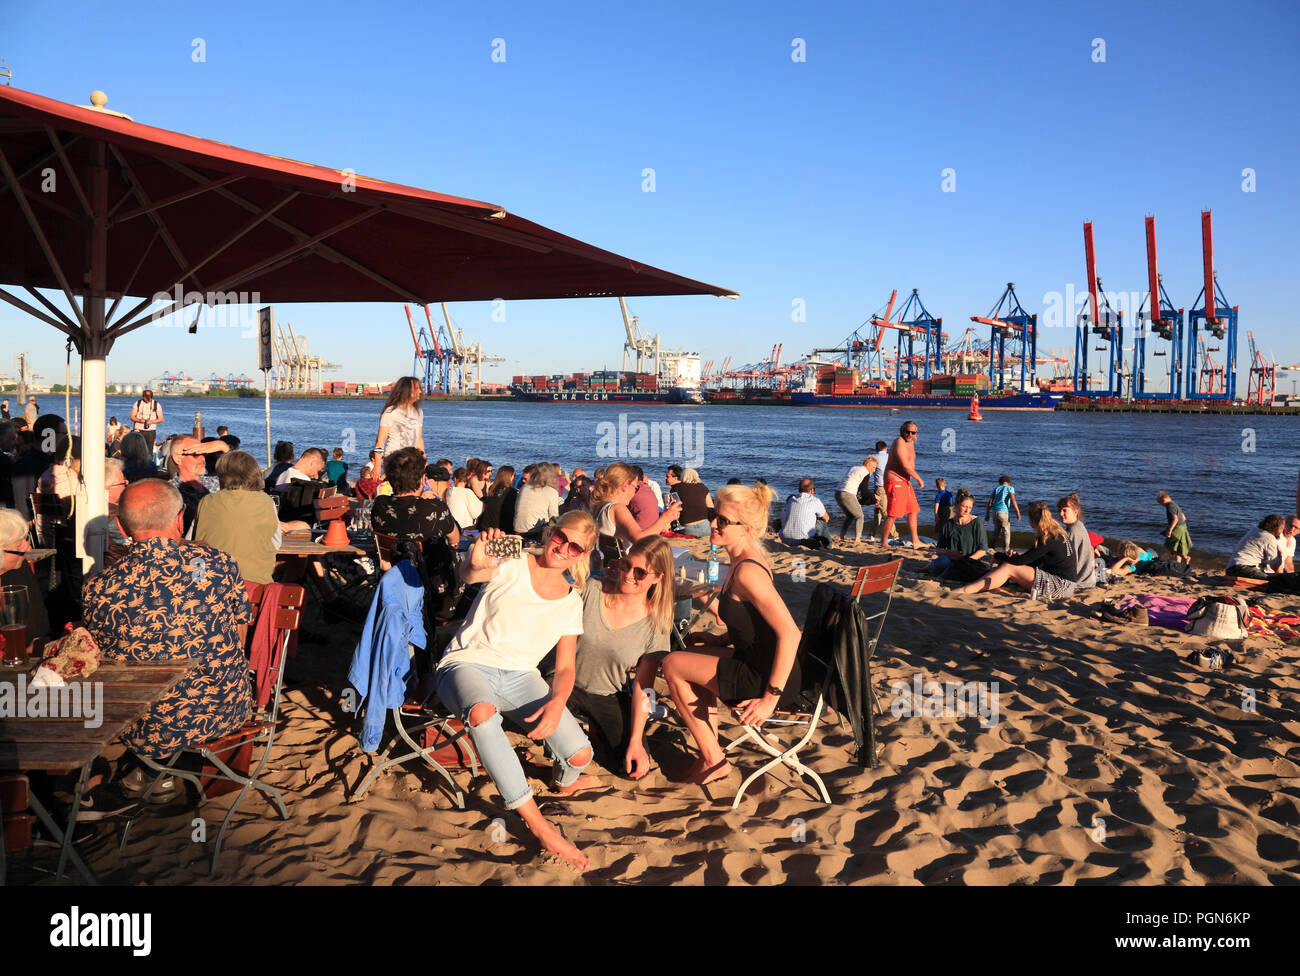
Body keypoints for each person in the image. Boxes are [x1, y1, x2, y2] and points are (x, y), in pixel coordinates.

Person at [435, 513, 601, 870]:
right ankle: (540, 826)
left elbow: (567, 667)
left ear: (582, 555)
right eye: (561, 537)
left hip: (519, 676)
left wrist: (558, 703)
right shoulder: (512, 554)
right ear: (550, 531)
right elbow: (471, 572)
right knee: (482, 714)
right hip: (466, 664)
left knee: (578, 755)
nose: (563, 548)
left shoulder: (571, 599)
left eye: (575, 547)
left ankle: (563, 783)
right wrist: (475, 560)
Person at [82, 480, 252, 801]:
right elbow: (240, 633)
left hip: (141, 726)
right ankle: (164, 773)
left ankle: (154, 771)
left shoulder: (99, 587)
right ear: (180, 520)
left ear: (120, 525)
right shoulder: (217, 564)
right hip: (223, 708)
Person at [659, 482, 802, 785]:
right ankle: (709, 750)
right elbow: (755, 626)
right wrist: (720, 640)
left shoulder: (748, 571)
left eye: (722, 520)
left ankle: (714, 760)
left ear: (746, 529)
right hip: (755, 658)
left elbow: (790, 633)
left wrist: (769, 699)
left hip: (767, 677)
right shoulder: (739, 561)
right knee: (691, 655)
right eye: (714, 515)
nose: (712, 523)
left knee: (672, 664)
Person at [569, 535, 674, 775]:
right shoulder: (593, 590)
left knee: (632, 768)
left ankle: (596, 728)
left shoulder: (656, 623)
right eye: (626, 565)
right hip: (562, 684)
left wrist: (636, 740)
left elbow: (643, 686)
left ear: (658, 578)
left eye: (640, 573)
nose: (628, 575)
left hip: (606, 695)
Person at [953, 501, 1077, 602]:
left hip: (1061, 586)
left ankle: (965, 591)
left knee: (1008, 567)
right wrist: (1013, 557)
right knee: (1009, 564)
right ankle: (981, 586)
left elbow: (1022, 561)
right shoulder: (1057, 532)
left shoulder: (1048, 538)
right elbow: (1032, 560)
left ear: (1031, 520)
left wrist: (998, 555)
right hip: (1064, 583)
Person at [194, 450, 286, 585]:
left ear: (223, 476)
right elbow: (276, 543)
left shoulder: (206, 501)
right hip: (254, 586)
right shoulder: (266, 502)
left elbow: (193, 540)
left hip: (209, 586)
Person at [370, 447, 459, 550]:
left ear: (389, 480)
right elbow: (454, 540)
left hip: (391, 563)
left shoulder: (380, 504)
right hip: (426, 565)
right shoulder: (435, 508)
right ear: (422, 480)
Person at [591, 462, 682, 551]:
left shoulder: (600, 506)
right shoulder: (617, 508)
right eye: (636, 487)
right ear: (625, 486)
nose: (635, 492)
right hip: (625, 563)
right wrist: (664, 519)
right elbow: (639, 539)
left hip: (608, 562)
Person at [0, 508, 51, 643]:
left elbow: (40, 630)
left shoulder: (20, 569)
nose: (28, 548)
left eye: (25, 539)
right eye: (18, 545)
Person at [880, 421, 925, 549]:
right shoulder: (899, 441)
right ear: (902, 431)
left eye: (913, 432)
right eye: (907, 432)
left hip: (905, 481)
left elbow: (910, 463)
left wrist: (911, 478)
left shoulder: (910, 443)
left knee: (913, 510)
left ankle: (915, 541)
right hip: (895, 481)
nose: (910, 434)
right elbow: (905, 465)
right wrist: (918, 478)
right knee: (893, 513)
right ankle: (884, 542)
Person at [168, 434, 227, 530]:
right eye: (195, 454)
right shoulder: (171, 493)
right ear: (178, 458)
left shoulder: (213, 482)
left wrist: (223, 447)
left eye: (204, 453)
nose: (202, 459)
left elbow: (242, 480)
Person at [931, 490, 990, 583]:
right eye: (964, 506)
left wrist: (967, 561)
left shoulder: (976, 522)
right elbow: (938, 550)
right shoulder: (948, 524)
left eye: (970, 507)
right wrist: (951, 553)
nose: (967, 510)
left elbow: (983, 550)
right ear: (956, 504)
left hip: (971, 562)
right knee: (941, 562)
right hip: (952, 560)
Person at [373, 377, 424, 458]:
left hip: (413, 461)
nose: (420, 391)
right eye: (417, 388)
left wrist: (424, 461)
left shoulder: (419, 412)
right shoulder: (391, 412)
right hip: (393, 461)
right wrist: (377, 465)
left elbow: (419, 440)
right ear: (407, 390)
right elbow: (380, 442)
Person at [1057, 492, 1097, 590]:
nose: (1061, 514)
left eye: (1064, 510)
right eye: (1059, 510)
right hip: (1086, 579)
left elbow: (1069, 561)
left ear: (1075, 512)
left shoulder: (1074, 531)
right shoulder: (1078, 525)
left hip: (1080, 582)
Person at [1226, 515, 1284, 580]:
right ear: (1278, 528)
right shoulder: (1270, 538)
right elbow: (1274, 566)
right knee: (1275, 580)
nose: (1282, 532)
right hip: (1243, 569)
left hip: (1230, 569)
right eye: (1282, 528)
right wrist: (1280, 556)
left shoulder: (1254, 530)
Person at [780, 478, 831, 548]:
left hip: (786, 539)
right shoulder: (815, 501)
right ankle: (828, 545)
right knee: (821, 522)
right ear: (812, 490)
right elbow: (826, 518)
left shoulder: (791, 500)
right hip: (803, 539)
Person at [514, 462, 562, 534]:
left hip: (517, 530)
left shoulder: (524, 487)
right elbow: (554, 518)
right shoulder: (551, 492)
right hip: (535, 533)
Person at [834, 456, 873, 544]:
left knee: (850, 515)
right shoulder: (866, 472)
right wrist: (874, 497)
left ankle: (841, 536)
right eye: (873, 467)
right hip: (847, 493)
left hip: (838, 493)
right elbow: (864, 489)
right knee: (860, 516)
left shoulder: (854, 468)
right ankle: (857, 539)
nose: (874, 470)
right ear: (868, 464)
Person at [664, 465, 711, 538]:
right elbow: (710, 507)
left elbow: (672, 509)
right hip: (705, 526)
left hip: (688, 527)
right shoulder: (703, 487)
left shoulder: (676, 488)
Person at [985, 475, 1020, 552]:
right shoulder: (1010, 488)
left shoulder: (996, 489)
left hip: (995, 512)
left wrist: (987, 514)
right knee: (1006, 532)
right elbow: (1013, 500)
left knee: (996, 531)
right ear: (1009, 482)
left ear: (1000, 483)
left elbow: (990, 502)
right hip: (1004, 512)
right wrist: (1018, 511)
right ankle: (1006, 550)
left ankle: (991, 548)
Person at [1157, 491, 1193, 565]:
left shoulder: (1170, 506)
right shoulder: (1174, 504)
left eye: (1160, 503)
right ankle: (1180, 562)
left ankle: (1184, 558)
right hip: (1182, 526)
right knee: (1176, 546)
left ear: (1163, 500)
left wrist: (1170, 530)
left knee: (1172, 545)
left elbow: (1175, 519)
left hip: (1178, 527)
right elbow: (1183, 517)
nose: (1161, 505)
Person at [478, 465, 516, 531]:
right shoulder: (511, 492)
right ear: (510, 476)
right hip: (502, 528)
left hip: (486, 526)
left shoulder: (492, 489)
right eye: (514, 475)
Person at [446, 466, 485, 531]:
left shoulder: (448, 491)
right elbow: (476, 513)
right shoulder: (467, 492)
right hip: (465, 527)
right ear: (466, 480)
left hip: (451, 526)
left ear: (455, 479)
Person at [868, 440, 891, 537]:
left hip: (879, 487)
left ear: (877, 449)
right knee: (884, 511)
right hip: (890, 485)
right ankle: (894, 535)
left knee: (880, 510)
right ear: (886, 448)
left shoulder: (874, 458)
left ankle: (873, 534)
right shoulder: (890, 457)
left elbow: (868, 472)